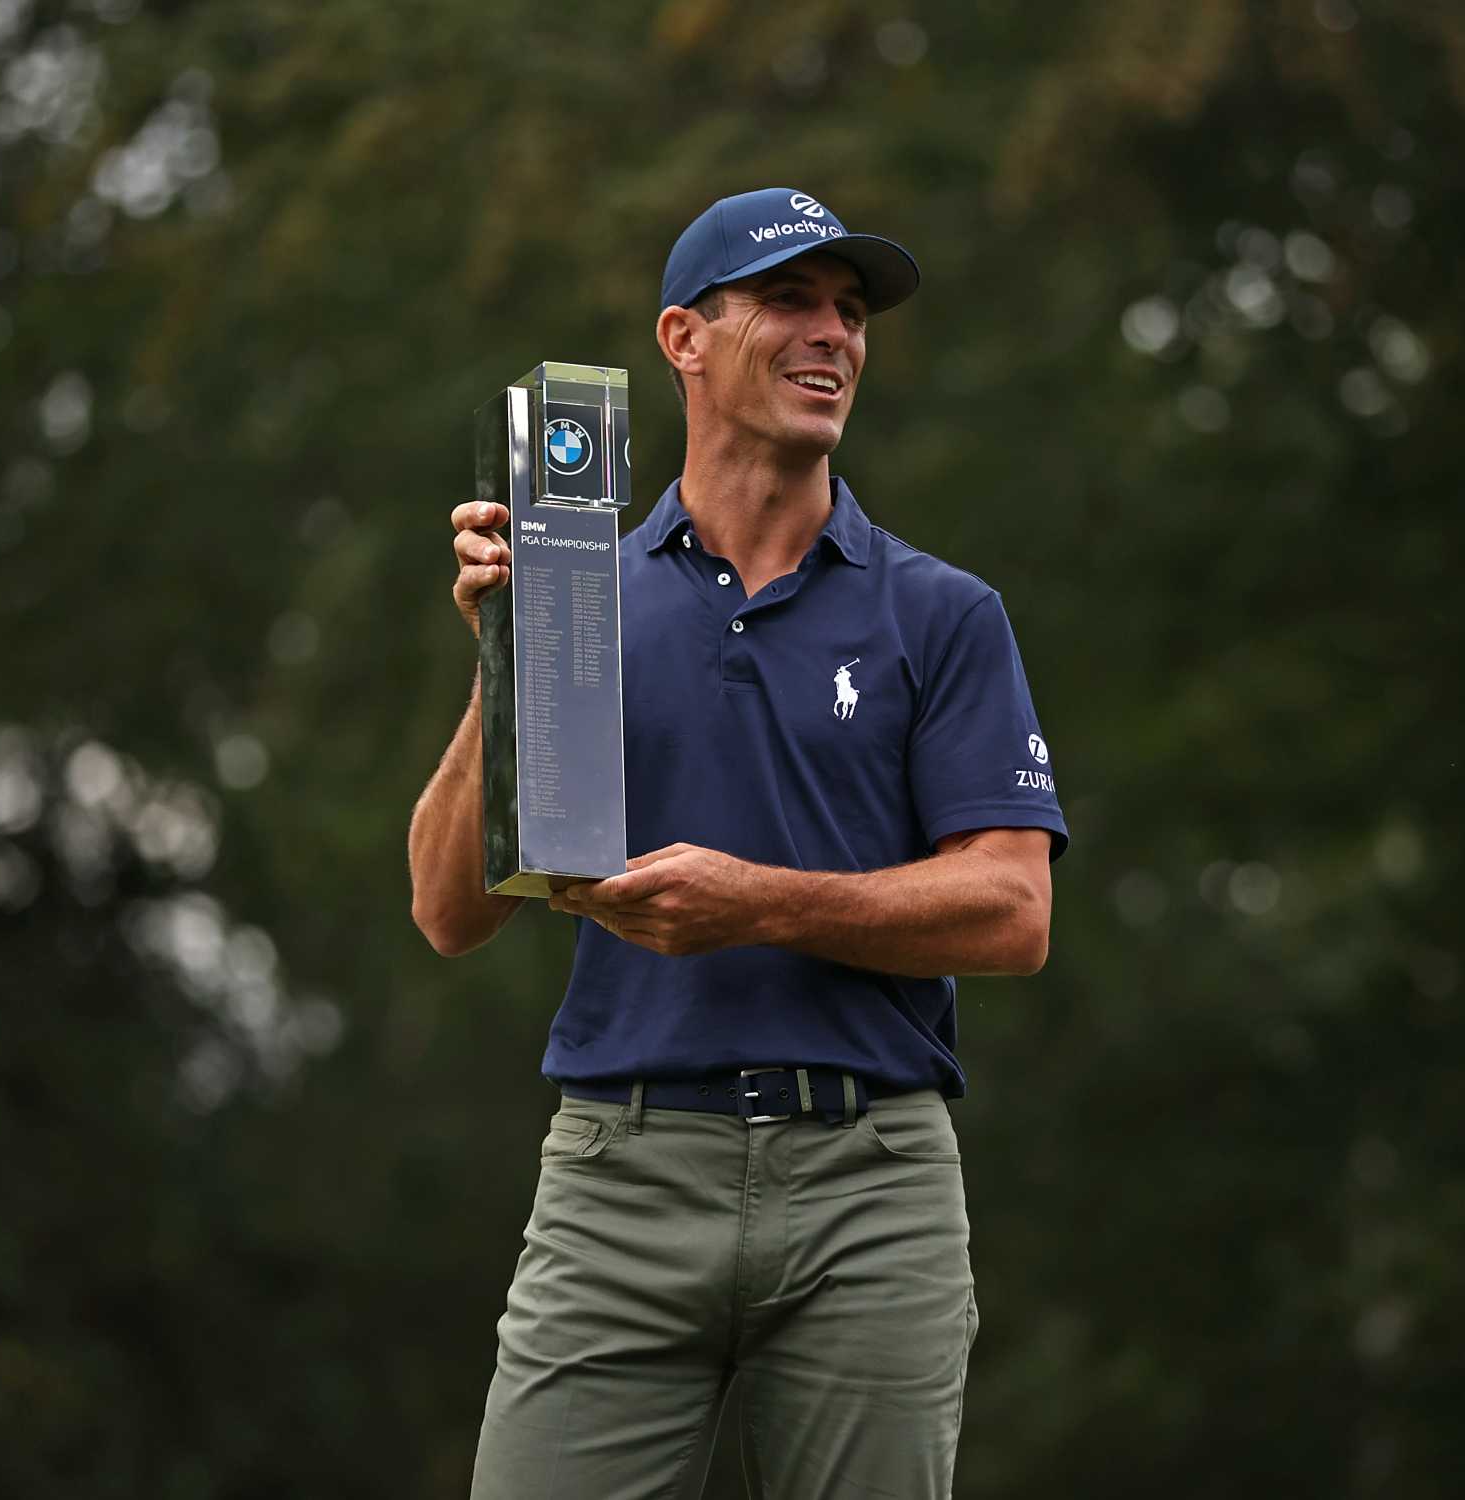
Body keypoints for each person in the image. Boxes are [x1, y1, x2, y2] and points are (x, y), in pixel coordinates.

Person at [406, 188, 1069, 1500]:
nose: (832, 334)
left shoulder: (941, 613)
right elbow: (447, 911)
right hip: (621, 1172)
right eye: (789, 300)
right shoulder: (585, 593)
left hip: (869, 1184)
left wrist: (759, 902)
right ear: (683, 338)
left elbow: (1011, 911)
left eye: (851, 309)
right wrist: (508, 649)